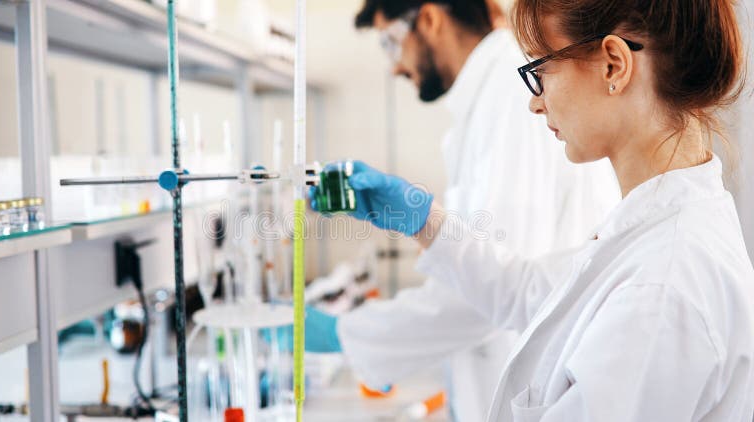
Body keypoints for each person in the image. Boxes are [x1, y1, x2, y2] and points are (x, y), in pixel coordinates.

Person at [335, 0, 754, 420]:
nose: (535, 104)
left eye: (541, 72)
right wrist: (425, 223)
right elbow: (529, 292)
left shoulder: (663, 288)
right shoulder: (653, 228)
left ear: (613, 65)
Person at [303, 0, 618, 420]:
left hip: (534, 388)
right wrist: (422, 224)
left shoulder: (510, 91)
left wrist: (345, 333)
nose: (394, 67)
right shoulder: (487, 97)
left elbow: (492, 291)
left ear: (429, 19)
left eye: (390, 43)